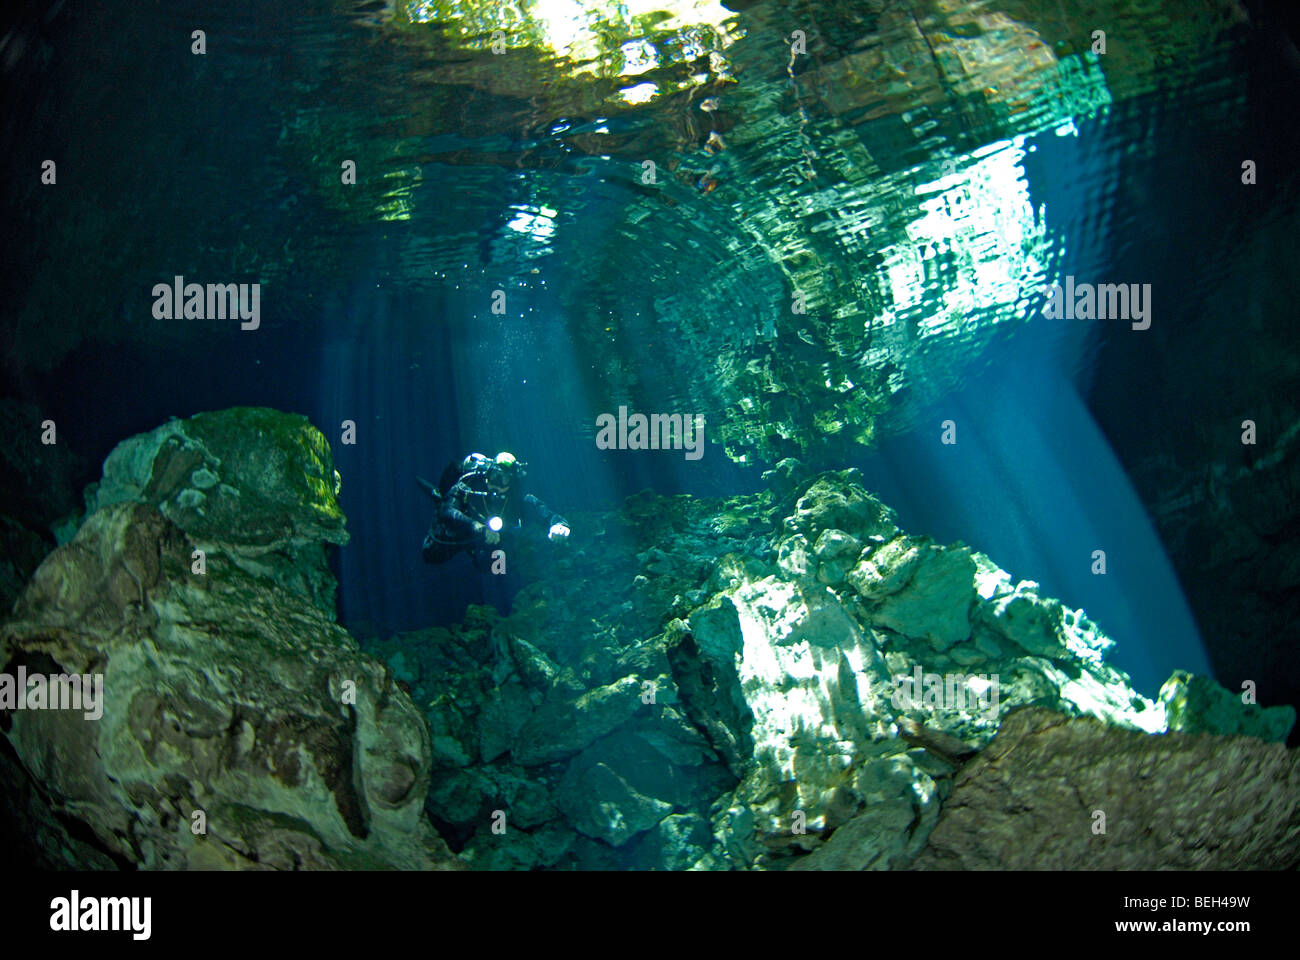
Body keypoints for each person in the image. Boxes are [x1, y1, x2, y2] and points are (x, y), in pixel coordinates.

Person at [420, 452, 569, 566]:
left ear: (512, 482)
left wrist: (560, 525)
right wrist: (479, 527)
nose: (496, 483)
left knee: (494, 567)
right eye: (494, 476)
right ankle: (436, 495)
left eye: (503, 478)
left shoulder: (518, 499)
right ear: (487, 473)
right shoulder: (471, 483)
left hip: (489, 538)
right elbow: (447, 511)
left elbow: (545, 513)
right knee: (431, 557)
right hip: (463, 529)